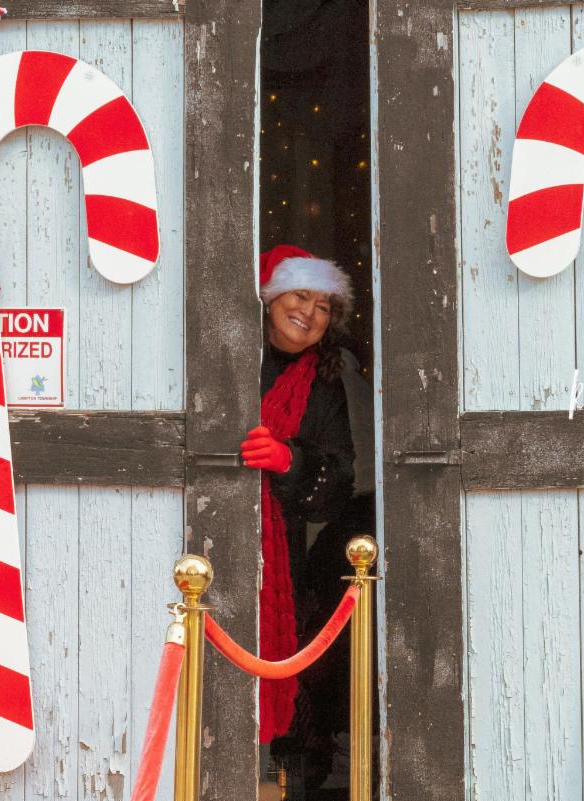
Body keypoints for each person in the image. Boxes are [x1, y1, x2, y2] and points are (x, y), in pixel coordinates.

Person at [240, 245, 360, 768]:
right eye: (299, 295)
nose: (309, 312)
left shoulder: (325, 383)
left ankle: (281, 772)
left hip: (282, 553)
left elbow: (338, 484)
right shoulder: (232, 358)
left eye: (324, 306)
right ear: (270, 299)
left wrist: (290, 461)